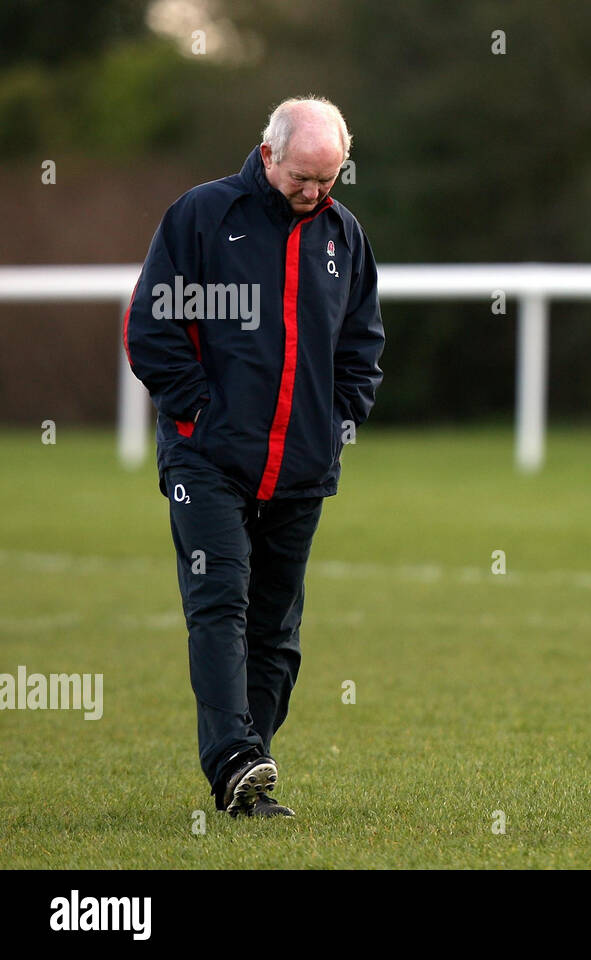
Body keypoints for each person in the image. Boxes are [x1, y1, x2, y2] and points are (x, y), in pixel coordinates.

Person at [122, 96, 384, 818]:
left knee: (277, 632)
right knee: (220, 607)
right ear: (267, 155)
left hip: (302, 469)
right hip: (205, 460)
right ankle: (233, 757)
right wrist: (199, 411)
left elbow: (363, 342)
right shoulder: (202, 217)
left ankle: (248, 771)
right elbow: (150, 324)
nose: (314, 192)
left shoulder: (344, 236)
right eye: (303, 176)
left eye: (328, 180)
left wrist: (336, 420)